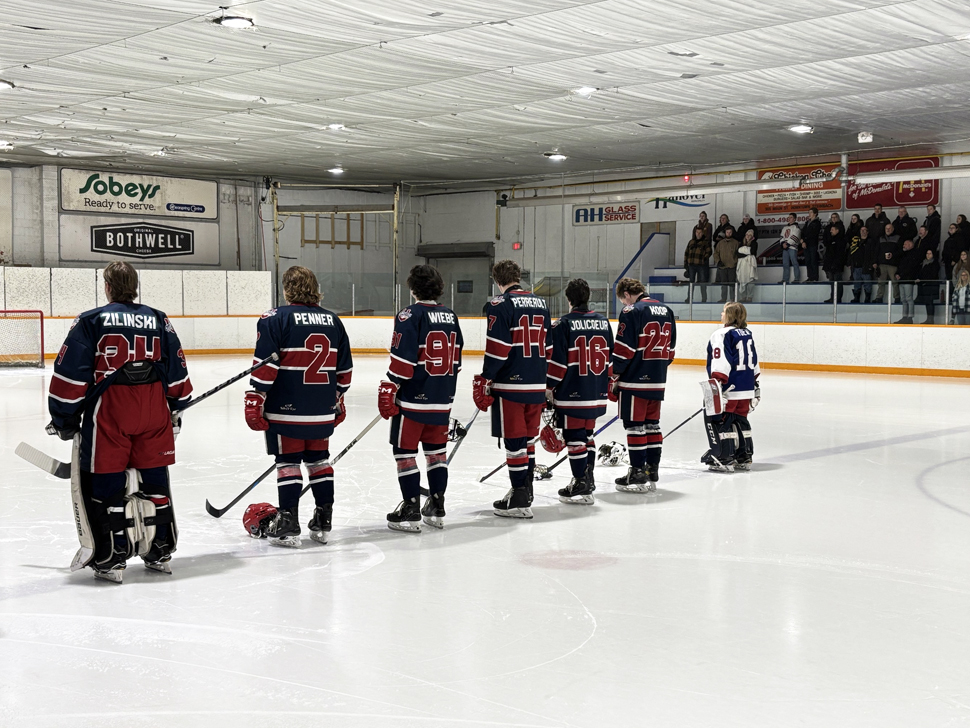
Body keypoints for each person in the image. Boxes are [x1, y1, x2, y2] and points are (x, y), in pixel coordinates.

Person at [47, 261, 193, 583]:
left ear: (108, 286)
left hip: (110, 415)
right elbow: (177, 370)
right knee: (156, 482)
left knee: (106, 485)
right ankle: (160, 549)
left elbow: (70, 375)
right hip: (154, 413)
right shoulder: (159, 319)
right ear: (134, 285)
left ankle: (111, 557)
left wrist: (64, 417)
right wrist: (177, 404)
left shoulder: (91, 320)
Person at [244, 266, 352, 547]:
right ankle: (323, 518)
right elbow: (345, 371)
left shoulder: (274, 318)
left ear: (287, 289)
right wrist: (337, 400)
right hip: (321, 408)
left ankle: (289, 520)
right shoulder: (334, 321)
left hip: (285, 407)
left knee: (288, 462)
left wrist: (256, 396)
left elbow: (264, 368)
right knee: (319, 461)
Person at [378, 265, 463, 531]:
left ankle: (411, 507)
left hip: (413, 399)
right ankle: (437, 506)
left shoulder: (408, 315)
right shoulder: (450, 316)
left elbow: (402, 362)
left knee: (404, 453)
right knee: (436, 453)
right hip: (443, 398)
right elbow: (457, 362)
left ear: (413, 288)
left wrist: (390, 386)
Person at [473, 259, 551, 519]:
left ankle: (519, 496)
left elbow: (498, 347)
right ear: (518, 277)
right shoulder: (541, 304)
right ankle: (525, 490)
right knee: (528, 440)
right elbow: (548, 347)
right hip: (538, 382)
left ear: (497, 280)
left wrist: (486, 377)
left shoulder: (499, 304)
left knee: (515, 441)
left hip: (511, 384)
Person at [546, 278, 614, 505]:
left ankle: (580, 485)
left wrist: (548, 387)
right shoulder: (603, 322)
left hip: (573, 392)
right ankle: (588, 479)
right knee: (588, 436)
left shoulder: (562, 324)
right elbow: (611, 358)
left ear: (568, 299)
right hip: (596, 390)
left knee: (574, 438)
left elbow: (557, 364)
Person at [611, 277, 676, 492]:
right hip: (657, 380)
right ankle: (652, 470)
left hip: (634, 380)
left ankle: (637, 472)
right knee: (652, 424)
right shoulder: (666, 310)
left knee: (634, 426)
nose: (624, 304)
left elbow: (623, 349)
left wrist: (613, 375)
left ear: (627, 295)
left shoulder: (632, 311)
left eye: (623, 300)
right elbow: (671, 351)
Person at [701, 302, 760, 473]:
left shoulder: (721, 333)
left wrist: (717, 384)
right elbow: (754, 362)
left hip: (729, 387)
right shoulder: (747, 333)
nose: (721, 314)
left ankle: (724, 457)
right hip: (746, 387)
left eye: (724, 311)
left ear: (730, 315)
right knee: (741, 421)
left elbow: (721, 360)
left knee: (721, 420)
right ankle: (744, 456)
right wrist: (754, 385)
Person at [847, 225, 877, 303]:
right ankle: (856, 298)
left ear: (867, 232)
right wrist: (849, 263)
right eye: (861, 230)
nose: (863, 232)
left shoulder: (871, 241)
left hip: (866, 266)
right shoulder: (855, 241)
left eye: (864, 230)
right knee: (856, 283)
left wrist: (874, 262)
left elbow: (874, 253)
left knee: (867, 284)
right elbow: (851, 252)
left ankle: (867, 298)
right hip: (856, 266)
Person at [893, 239, 920, 324]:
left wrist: (901, 274)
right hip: (902, 280)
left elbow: (911, 267)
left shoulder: (914, 254)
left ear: (911, 245)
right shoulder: (903, 255)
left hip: (908, 279)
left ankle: (910, 317)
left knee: (909, 298)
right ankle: (904, 316)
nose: (903, 245)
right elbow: (899, 266)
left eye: (906, 244)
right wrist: (897, 273)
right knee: (903, 299)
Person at [683, 226, 712, 303]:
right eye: (697, 232)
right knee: (691, 282)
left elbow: (709, 252)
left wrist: (704, 259)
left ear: (702, 233)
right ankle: (689, 298)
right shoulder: (691, 242)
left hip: (701, 265)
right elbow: (686, 253)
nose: (698, 234)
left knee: (702, 282)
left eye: (700, 232)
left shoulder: (705, 242)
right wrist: (685, 263)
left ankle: (704, 298)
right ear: (695, 233)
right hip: (691, 265)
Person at [874, 223, 901, 303]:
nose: (888, 230)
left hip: (893, 264)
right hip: (882, 264)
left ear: (893, 229)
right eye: (886, 228)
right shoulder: (880, 238)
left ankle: (897, 298)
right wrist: (875, 261)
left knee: (895, 282)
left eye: (889, 228)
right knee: (881, 282)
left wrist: (893, 255)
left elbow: (900, 251)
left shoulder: (898, 238)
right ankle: (879, 297)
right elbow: (876, 251)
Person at [713, 225, 739, 302]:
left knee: (732, 283)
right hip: (722, 266)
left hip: (732, 266)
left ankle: (732, 298)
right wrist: (718, 261)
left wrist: (735, 262)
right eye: (727, 232)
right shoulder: (720, 243)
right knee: (723, 284)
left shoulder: (735, 243)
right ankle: (723, 298)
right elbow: (716, 253)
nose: (729, 233)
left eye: (730, 232)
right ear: (725, 233)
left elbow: (738, 254)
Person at [822, 223, 847, 303]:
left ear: (837, 230)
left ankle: (838, 298)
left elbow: (840, 255)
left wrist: (836, 264)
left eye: (832, 230)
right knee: (832, 283)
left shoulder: (841, 240)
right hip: (830, 265)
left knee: (838, 282)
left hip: (837, 266)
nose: (830, 231)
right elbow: (828, 254)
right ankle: (832, 297)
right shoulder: (831, 240)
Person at [916, 248, 942, 324]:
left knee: (929, 302)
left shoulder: (935, 263)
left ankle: (930, 319)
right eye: (927, 253)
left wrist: (923, 280)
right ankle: (929, 318)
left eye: (930, 253)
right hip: (925, 286)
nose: (928, 255)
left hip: (931, 285)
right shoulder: (923, 263)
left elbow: (933, 275)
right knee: (927, 302)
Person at [736, 230, 758, 303]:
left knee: (750, 281)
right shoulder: (741, 243)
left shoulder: (754, 243)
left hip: (749, 265)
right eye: (747, 235)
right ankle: (743, 297)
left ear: (752, 236)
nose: (748, 236)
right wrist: (746, 254)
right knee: (742, 280)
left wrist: (743, 253)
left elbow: (752, 252)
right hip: (742, 265)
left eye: (749, 235)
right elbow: (737, 254)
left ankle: (749, 297)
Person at [780, 212, 802, 284]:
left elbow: (796, 236)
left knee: (794, 262)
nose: (789, 219)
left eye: (791, 217)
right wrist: (783, 243)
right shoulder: (785, 228)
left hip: (792, 247)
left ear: (795, 219)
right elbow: (782, 236)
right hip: (785, 248)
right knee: (785, 263)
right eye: (788, 217)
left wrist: (788, 244)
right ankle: (785, 279)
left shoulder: (796, 227)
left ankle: (797, 279)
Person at [801, 207, 822, 282]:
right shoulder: (807, 223)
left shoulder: (817, 223)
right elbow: (802, 232)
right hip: (806, 245)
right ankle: (810, 277)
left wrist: (805, 240)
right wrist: (802, 241)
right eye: (808, 212)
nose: (809, 214)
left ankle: (815, 278)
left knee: (813, 261)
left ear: (815, 213)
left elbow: (813, 234)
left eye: (811, 212)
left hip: (812, 244)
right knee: (808, 261)